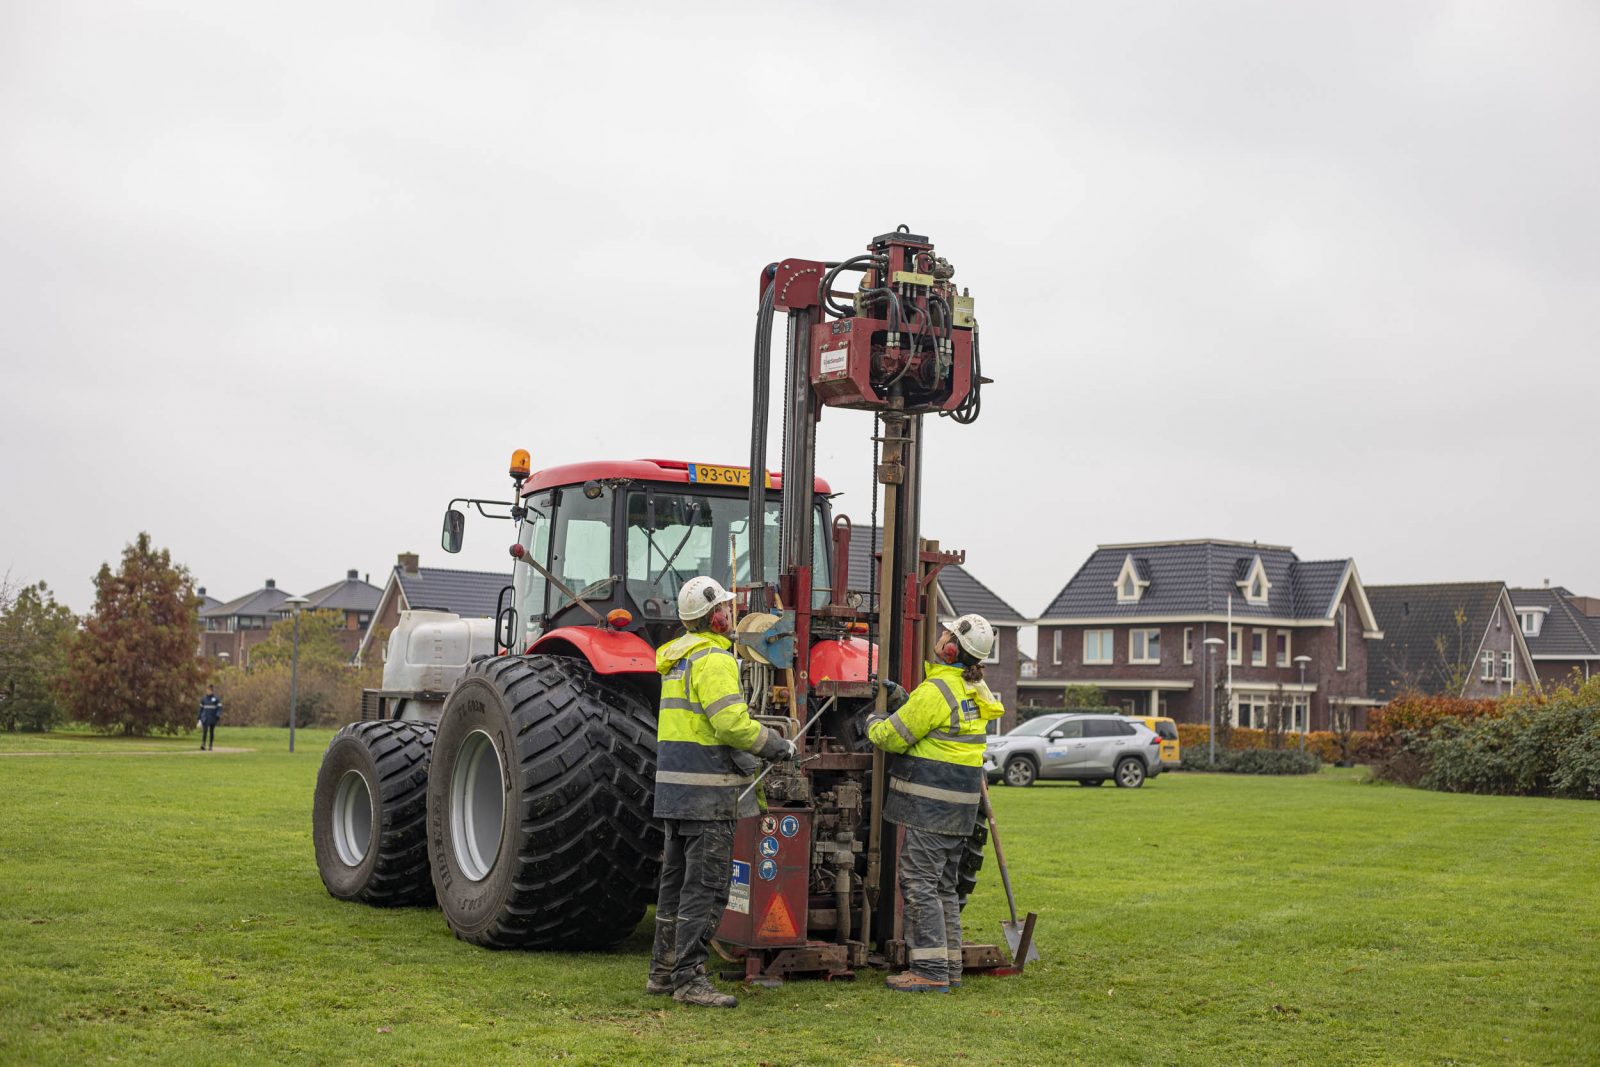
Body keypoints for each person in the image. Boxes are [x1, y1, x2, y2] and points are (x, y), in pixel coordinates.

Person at [647, 576, 796, 1008]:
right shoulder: (713, 659)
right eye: (727, 608)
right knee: (707, 889)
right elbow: (730, 724)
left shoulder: (677, 659)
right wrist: (777, 745)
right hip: (709, 794)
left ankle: (663, 970)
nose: (732, 614)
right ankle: (689, 980)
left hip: (676, 792)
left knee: (675, 886)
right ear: (715, 617)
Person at [867, 613, 1004, 993]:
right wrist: (904, 701)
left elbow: (890, 737)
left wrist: (875, 718)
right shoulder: (972, 690)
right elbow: (939, 728)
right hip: (960, 810)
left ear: (949, 648)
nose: (940, 634)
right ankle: (950, 967)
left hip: (931, 808)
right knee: (944, 886)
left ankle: (929, 973)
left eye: (946, 632)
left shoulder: (937, 690)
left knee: (918, 882)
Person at [198, 684, 223, 751]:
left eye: (209, 690)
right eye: (207, 690)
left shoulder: (216, 699)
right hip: (205, 717)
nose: (207, 691)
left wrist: (218, 715)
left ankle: (210, 745)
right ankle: (203, 744)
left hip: (213, 718)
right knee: (205, 731)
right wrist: (199, 718)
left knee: (211, 731)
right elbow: (201, 709)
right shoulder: (204, 699)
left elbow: (219, 708)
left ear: (212, 691)